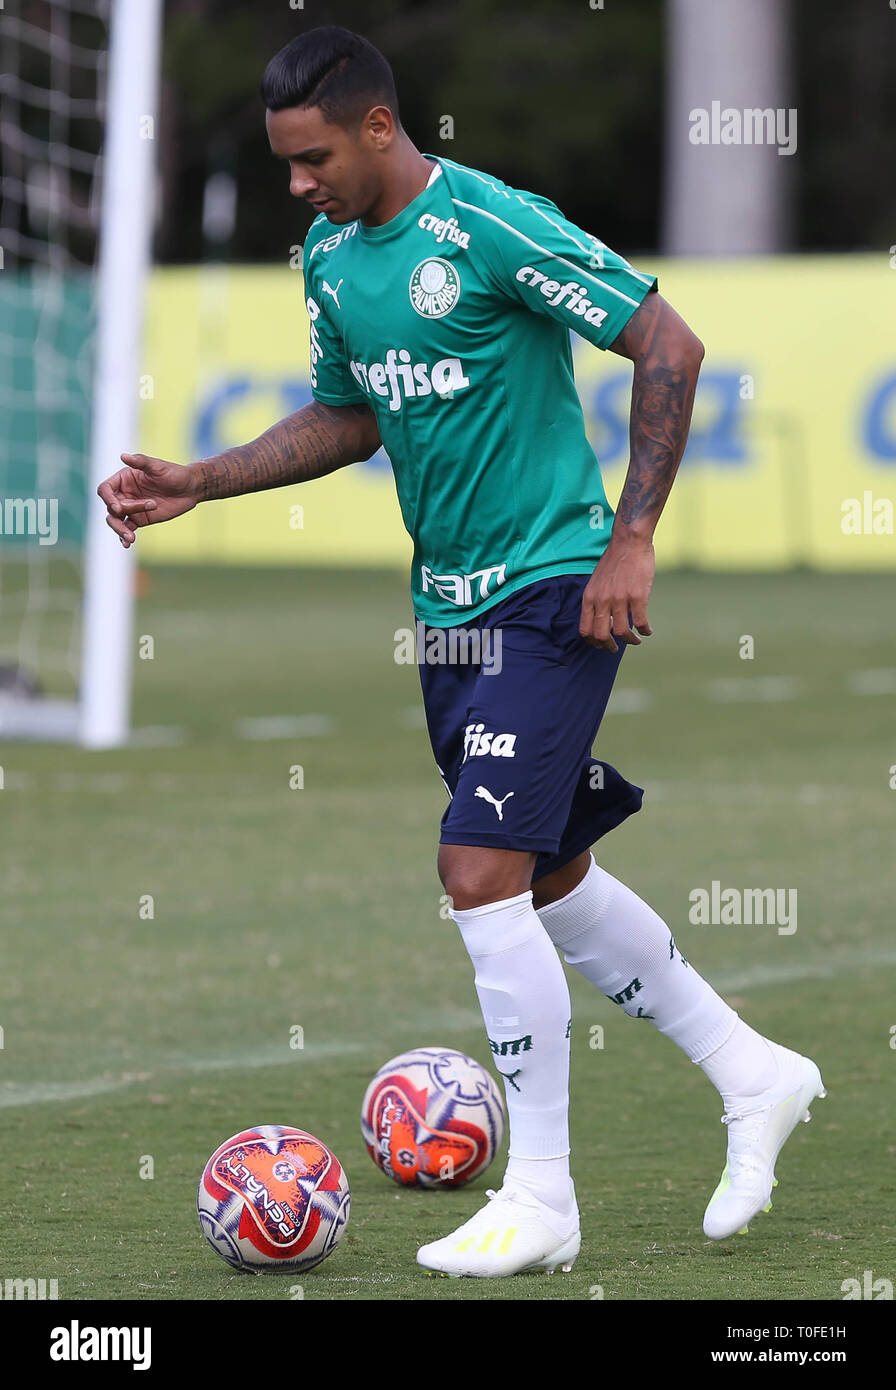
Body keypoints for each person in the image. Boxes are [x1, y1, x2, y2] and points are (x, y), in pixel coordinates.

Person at [98, 25, 824, 1279]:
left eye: (313, 156)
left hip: (555, 583)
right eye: (283, 164)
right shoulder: (327, 255)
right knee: (546, 876)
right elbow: (350, 415)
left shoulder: (492, 226)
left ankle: (541, 1196)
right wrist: (207, 480)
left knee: (476, 869)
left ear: (379, 126)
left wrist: (631, 539)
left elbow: (668, 343)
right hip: (450, 615)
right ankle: (752, 1071)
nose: (298, 185)